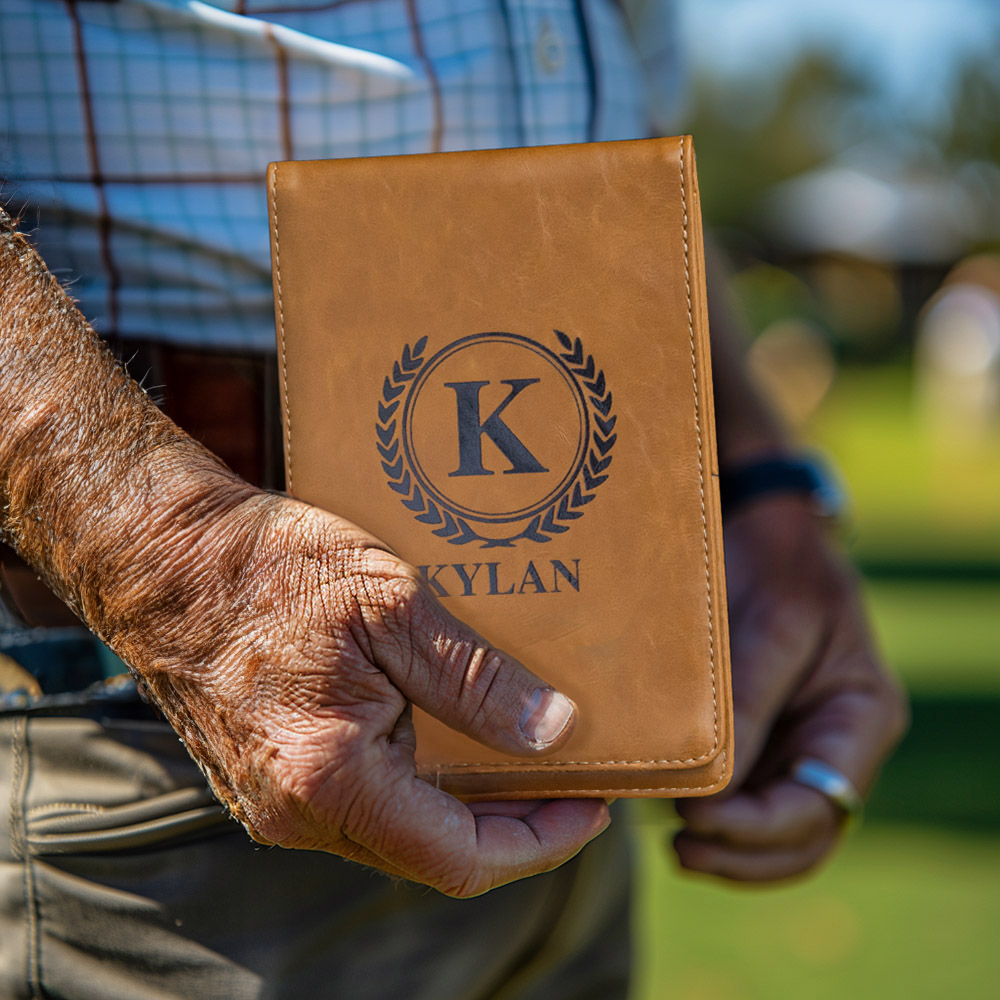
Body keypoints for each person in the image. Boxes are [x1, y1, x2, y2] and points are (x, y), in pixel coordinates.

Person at [0, 1, 907, 997]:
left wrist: (757, 478)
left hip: (588, 727)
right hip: (160, 700)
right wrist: (165, 552)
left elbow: (632, 135)